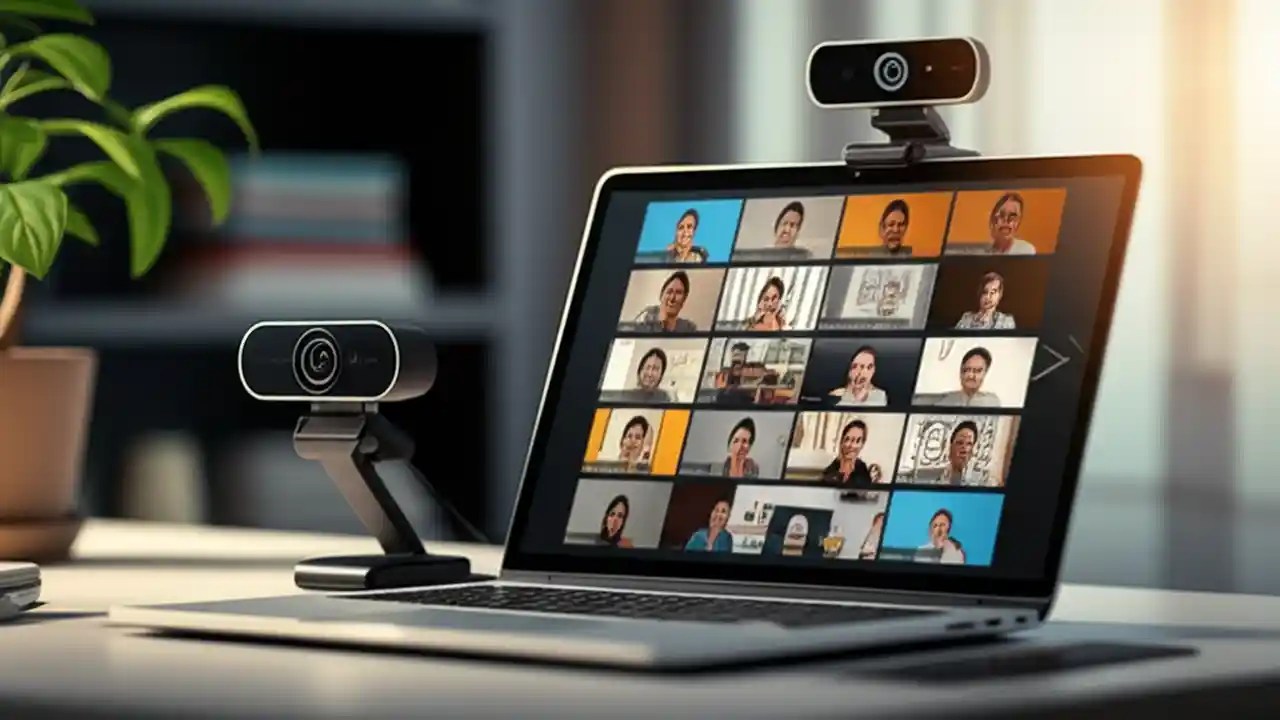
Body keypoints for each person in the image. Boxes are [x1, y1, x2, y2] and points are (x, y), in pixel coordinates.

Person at [930, 347, 1001, 407]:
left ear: (985, 373)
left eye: (977, 371)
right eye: (967, 369)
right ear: (961, 372)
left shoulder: (992, 402)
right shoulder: (944, 402)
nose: (971, 375)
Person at [632, 271, 698, 332]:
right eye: (669, 292)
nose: (672, 298)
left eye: (678, 293)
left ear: (684, 300)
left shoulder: (689, 328)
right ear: (661, 296)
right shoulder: (644, 321)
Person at [821, 419, 873, 487]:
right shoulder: (831, 470)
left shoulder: (862, 470)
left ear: (862, 445)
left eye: (857, 441)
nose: (851, 445)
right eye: (847, 439)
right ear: (842, 442)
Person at [938, 421, 977, 485]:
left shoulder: (979, 482)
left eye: (969, 444)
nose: (964, 448)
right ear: (950, 448)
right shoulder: (938, 479)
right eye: (960, 443)